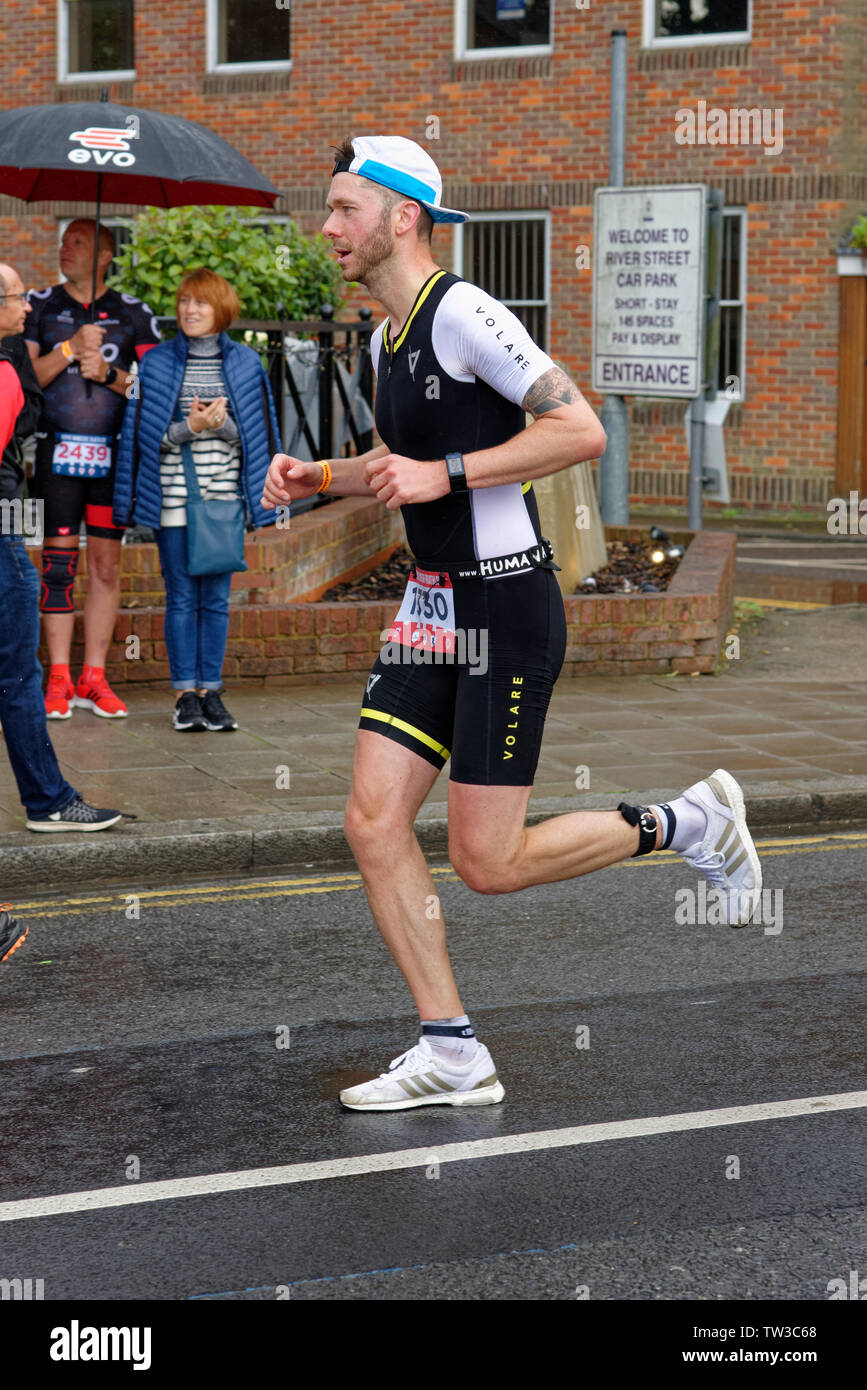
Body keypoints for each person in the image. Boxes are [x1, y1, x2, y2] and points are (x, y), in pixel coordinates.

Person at [262, 136, 763, 1112]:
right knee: (373, 822)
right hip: (432, 601)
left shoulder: (465, 313)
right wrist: (321, 476)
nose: (328, 226)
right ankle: (450, 1048)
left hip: (504, 600)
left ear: (402, 216)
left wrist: (444, 475)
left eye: (344, 208)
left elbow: (578, 428)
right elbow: (400, 458)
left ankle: (687, 821)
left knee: (487, 862)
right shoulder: (381, 338)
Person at [113, 268, 280, 732]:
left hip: (223, 499)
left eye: (201, 302)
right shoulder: (157, 363)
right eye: (185, 301)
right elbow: (145, 439)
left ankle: (212, 692)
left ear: (221, 309)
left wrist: (221, 426)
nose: (189, 310)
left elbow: (258, 436)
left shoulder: (247, 363)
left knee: (218, 600)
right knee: (182, 597)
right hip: (171, 497)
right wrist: (193, 428)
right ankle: (185, 696)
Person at [0, 261, 122, 835]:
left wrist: (110, 372)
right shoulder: (6, 370)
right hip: (5, 530)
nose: (27, 307)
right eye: (17, 297)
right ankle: (48, 801)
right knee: (19, 674)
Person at [24, 219, 161, 720]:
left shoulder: (132, 314)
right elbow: (27, 381)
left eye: (77, 242)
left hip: (113, 459)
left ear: (104, 254)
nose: (65, 248)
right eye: (63, 241)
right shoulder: (40, 306)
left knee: (105, 566)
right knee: (57, 566)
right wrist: (69, 348)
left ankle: (94, 676)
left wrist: (110, 374)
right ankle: (58, 677)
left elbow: (158, 387)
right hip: (54, 456)